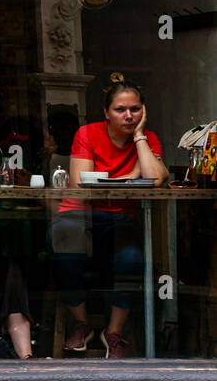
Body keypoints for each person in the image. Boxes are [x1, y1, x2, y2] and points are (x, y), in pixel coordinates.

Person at [51, 76, 168, 358]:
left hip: (119, 219)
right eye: (120, 109)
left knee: (132, 260)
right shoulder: (88, 134)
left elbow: (155, 179)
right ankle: (81, 323)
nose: (129, 115)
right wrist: (129, 179)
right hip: (79, 214)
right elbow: (81, 183)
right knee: (63, 247)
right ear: (106, 112)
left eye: (135, 109)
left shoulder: (148, 138)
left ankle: (113, 332)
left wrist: (139, 136)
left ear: (143, 111)